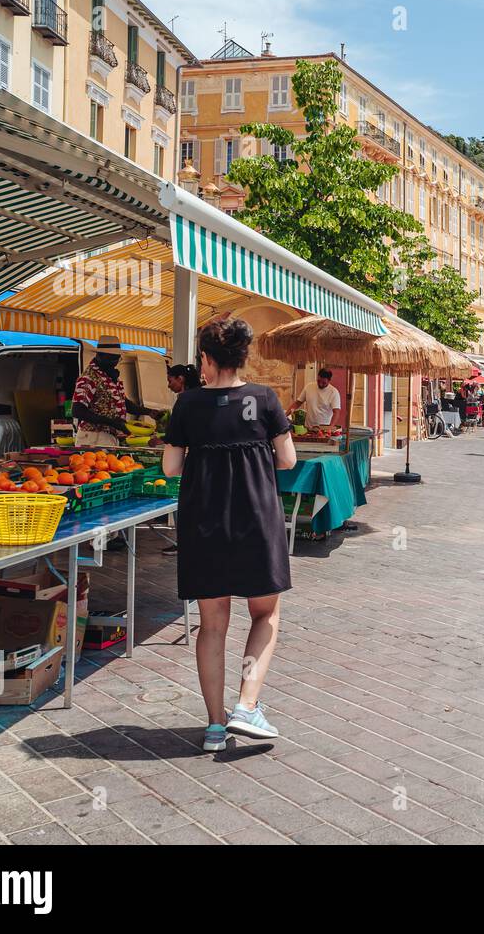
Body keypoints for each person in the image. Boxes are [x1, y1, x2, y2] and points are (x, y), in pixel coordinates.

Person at [162, 318, 298, 751]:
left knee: (212, 626)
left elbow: (169, 468)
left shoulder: (187, 405)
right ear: (243, 357)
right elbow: (288, 460)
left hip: (204, 523)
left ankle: (216, 727)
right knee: (265, 615)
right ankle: (247, 706)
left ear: (204, 358)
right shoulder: (263, 399)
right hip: (256, 520)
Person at [72, 336, 154, 447]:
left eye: (117, 359)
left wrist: (149, 412)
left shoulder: (111, 376)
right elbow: (77, 411)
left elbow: (125, 404)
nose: (115, 363)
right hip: (92, 437)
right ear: (100, 356)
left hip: (108, 436)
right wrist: (111, 422)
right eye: (112, 359)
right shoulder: (89, 378)